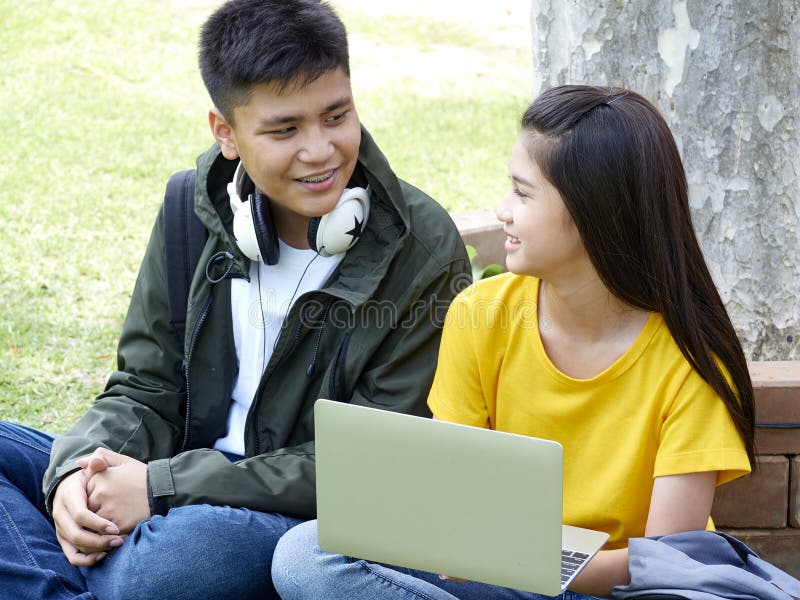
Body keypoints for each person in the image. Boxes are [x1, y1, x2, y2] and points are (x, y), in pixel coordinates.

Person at [0, 1, 470, 598]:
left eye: (336, 116)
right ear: (226, 132)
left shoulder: (421, 248)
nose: (321, 150)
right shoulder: (189, 211)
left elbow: (374, 464)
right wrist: (79, 473)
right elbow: (145, 387)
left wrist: (162, 488)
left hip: (290, 519)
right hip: (166, 485)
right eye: (284, 129)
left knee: (167, 566)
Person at [270, 84, 756, 600]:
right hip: (510, 574)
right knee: (307, 554)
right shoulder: (481, 314)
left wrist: (529, 558)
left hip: (625, 589)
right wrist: (465, 541)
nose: (503, 210)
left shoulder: (692, 360)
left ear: (597, 212)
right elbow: (456, 495)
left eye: (522, 193)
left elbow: (669, 562)